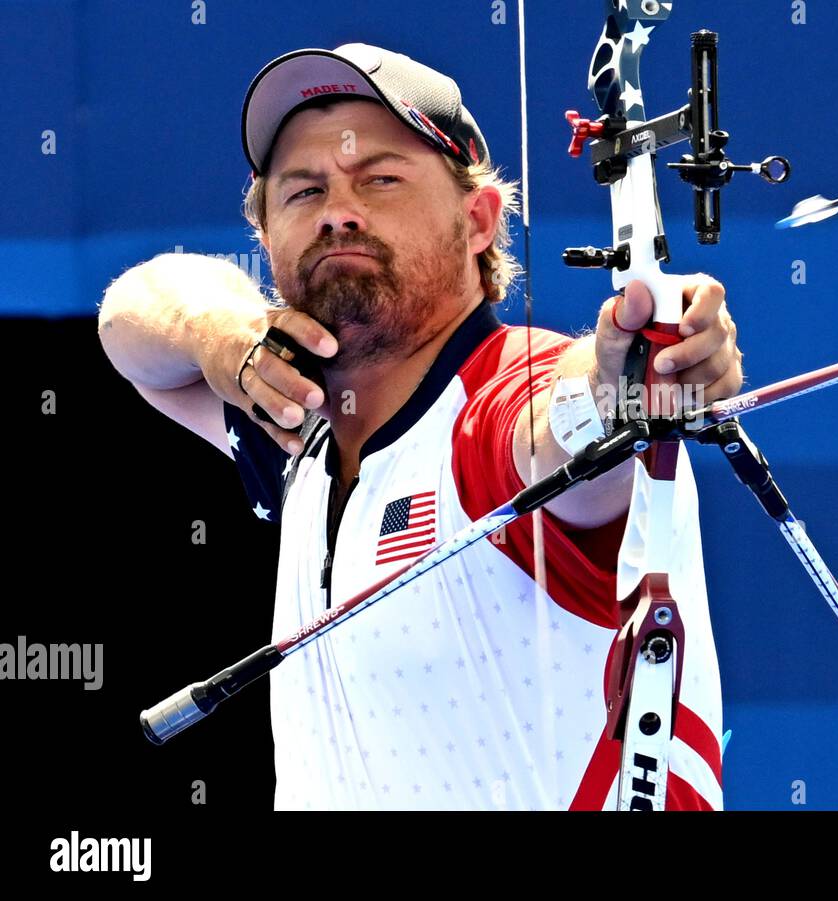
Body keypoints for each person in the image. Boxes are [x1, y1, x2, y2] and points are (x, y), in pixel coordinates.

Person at [97, 43, 741, 810]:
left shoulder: (496, 399)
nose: (339, 209)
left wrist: (624, 379)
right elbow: (129, 327)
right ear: (265, 239)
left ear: (478, 221)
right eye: (303, 192)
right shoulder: (294, 423)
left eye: (380, 179)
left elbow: (557, 427)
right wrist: (222, 338)